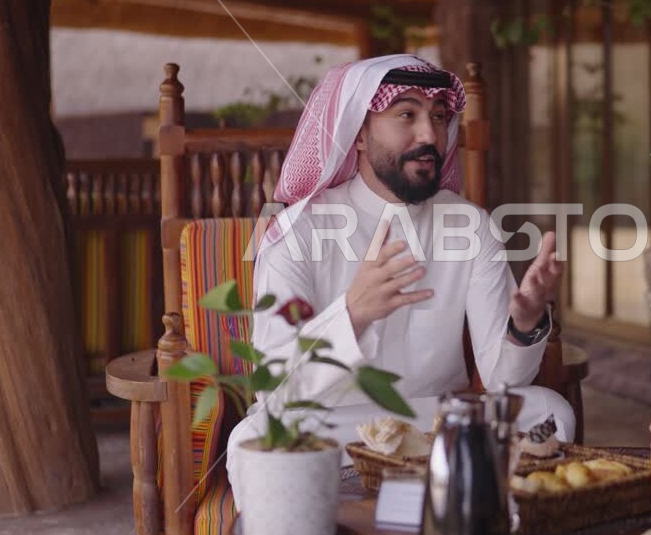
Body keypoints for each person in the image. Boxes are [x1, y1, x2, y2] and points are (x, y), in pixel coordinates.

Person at [226, 55, 574, 494]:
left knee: (549, 410)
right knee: (252, 439)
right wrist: (352, 315)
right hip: (335, 427)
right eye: (406, 114)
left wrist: (524, 326)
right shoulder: (298, 231)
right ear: (358, 135)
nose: (430, 134)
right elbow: (273, 391)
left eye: (439, 117)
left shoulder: (469, 224)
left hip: (436, 424)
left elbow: (505, 380)